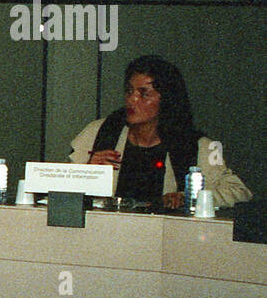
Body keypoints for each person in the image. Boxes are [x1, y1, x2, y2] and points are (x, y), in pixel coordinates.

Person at [69, 55, 251, 209]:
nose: (132, 99)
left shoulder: (199, 145)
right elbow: (58, 186)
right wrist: (86, 172)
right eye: (129, 91)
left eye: (143, 93)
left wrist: (189, 198)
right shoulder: (98, 131)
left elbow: (240, 192)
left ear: (167, 99)